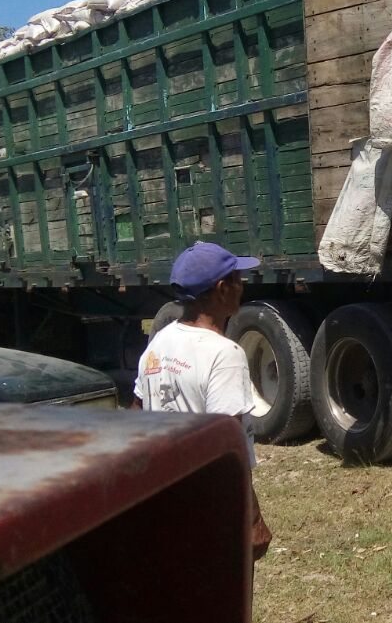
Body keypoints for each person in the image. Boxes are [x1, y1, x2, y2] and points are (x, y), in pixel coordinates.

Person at [133, 241, 271, 562]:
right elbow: (229, 448)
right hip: (208, 504)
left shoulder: (158, 343)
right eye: (238, 278)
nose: (242, 286)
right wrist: (251, 520)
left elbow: (136, 417)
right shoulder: (225, 355)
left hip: (164, 497)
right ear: (222, 289)